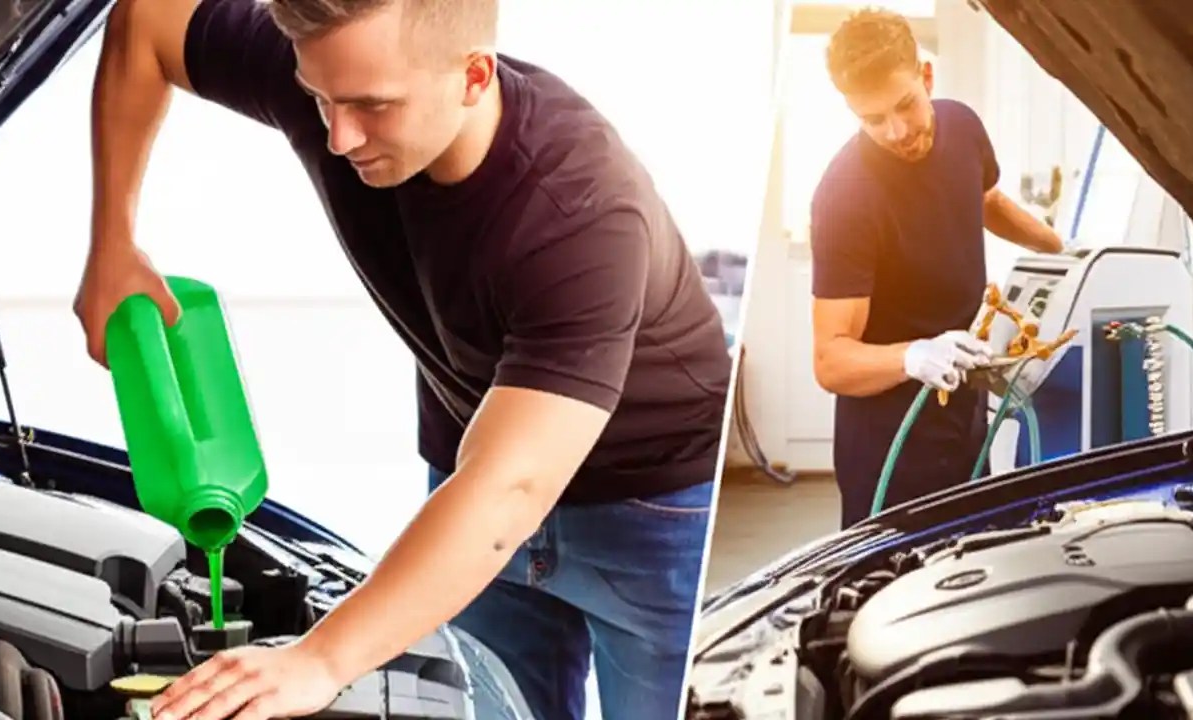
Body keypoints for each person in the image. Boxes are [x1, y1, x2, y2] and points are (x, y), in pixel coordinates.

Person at [75, 0, 733, 717]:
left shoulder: (580, 211)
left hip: (651, 513)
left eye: (371, 107)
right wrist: (112, 241)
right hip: (471, 473)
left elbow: (512, 489)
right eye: (320, 98)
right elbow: (146, 22)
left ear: (474, 76)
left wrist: (320, 659)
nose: (338, 136)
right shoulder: (341, 65)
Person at [808, 8, 1063, 528]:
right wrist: (912, 356)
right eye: (872, 119)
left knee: (974, 564)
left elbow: (987, 199)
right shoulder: (845, 197)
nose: (897, 131)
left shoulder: (964, 128)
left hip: (963, 409)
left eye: (905, 105)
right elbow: (830, 361)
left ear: (926, 76)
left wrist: (1057, 244)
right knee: (891, 589)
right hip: (888, 434)